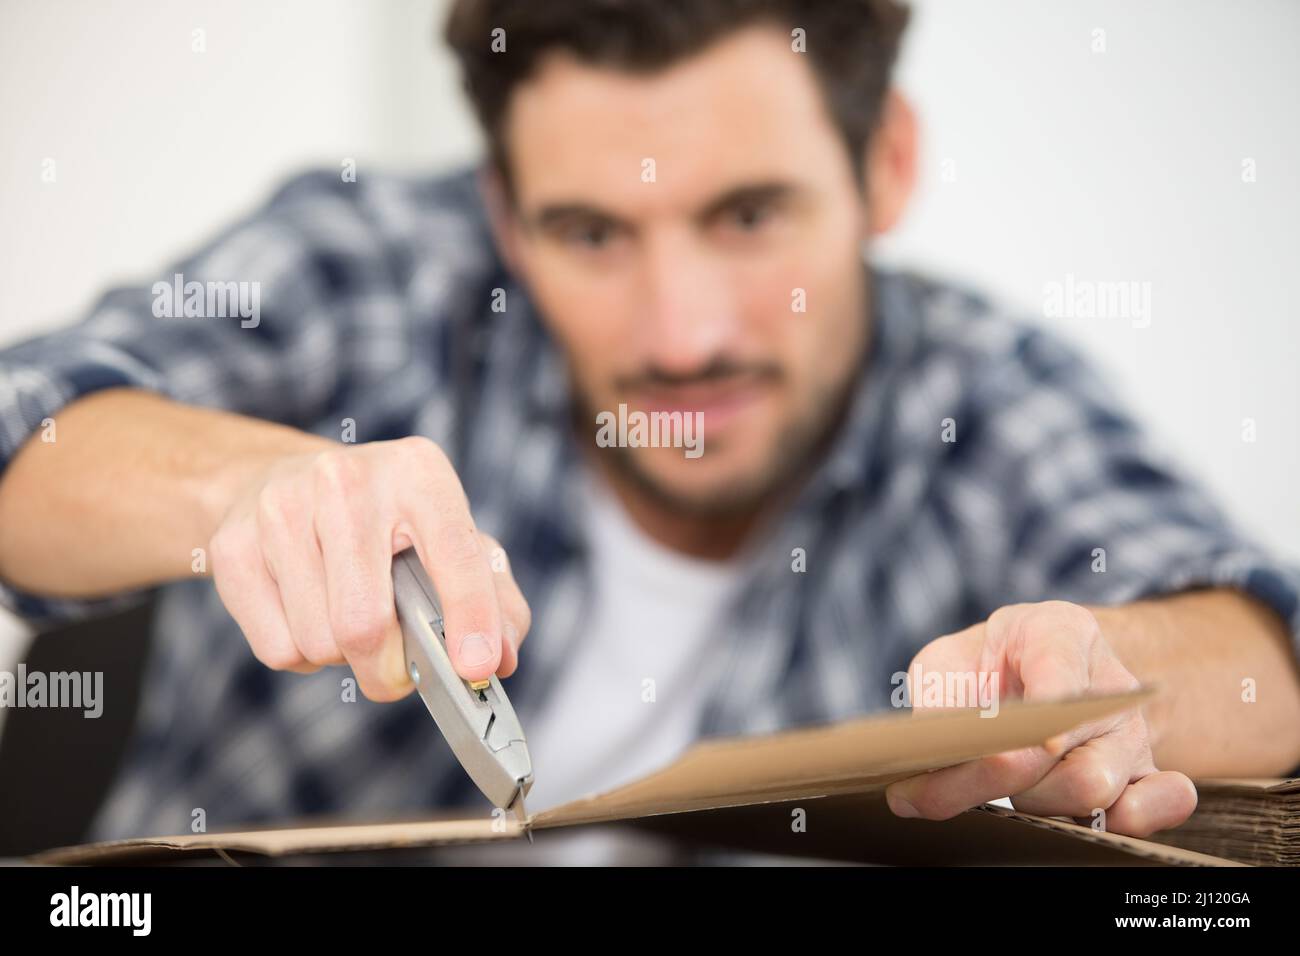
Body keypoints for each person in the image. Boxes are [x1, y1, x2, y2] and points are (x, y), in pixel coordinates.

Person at [1, 0, 1298, 861]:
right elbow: (23, 435)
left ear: (885, 167)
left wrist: (1107, 673)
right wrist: (255, 485)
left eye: (748, 218)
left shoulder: (977, 389)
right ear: (503, 213)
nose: (679, 333)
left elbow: (1261, 650)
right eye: (590, 234)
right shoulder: (371, 271)